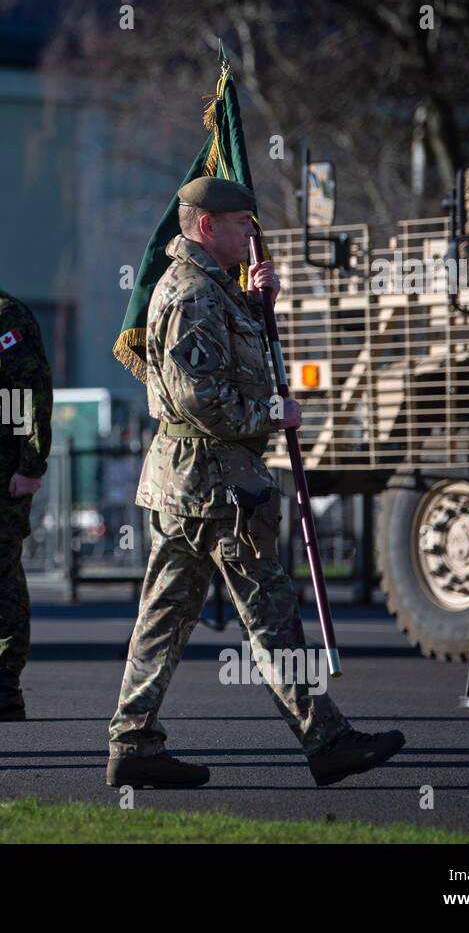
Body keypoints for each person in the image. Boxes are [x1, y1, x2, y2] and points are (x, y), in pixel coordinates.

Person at [106, 177, 405, 788]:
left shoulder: (216, 289)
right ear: (205, 225)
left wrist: (258, 305)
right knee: (270, 616)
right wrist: (274, 414)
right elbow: (199, 398)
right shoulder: (193, 293)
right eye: (244, 222)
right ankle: (326, 741)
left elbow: (229, 365)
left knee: (165, 618)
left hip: (198, 484)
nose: (254, 234)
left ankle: (132, 743)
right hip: (217, 486)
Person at [0, 221, 53, 721]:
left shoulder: (6, 315)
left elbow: (34, 393)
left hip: (0, 471)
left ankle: (4, 678)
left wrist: (31, 464)